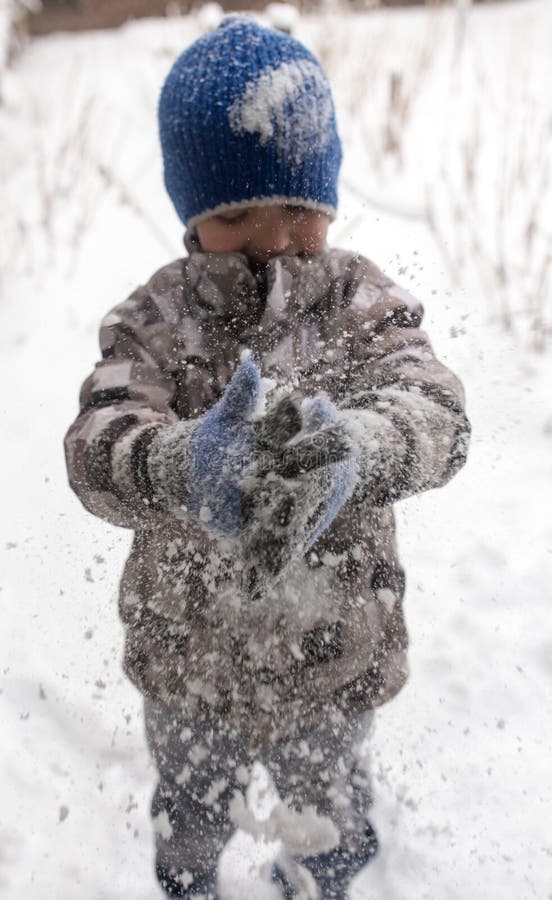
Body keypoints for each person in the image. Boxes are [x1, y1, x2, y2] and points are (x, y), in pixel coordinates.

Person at [64, 15, 470, 900]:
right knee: (191, 811)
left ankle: (318, 882)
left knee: (329, 816)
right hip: (189, 660)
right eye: (237, 214)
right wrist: (174, 466)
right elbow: (98, 444)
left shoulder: (362, 301)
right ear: (189, 211)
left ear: (329, 193)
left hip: (333, 654)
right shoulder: (154, 321)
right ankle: (192, 881)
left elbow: (435, 408)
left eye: (298, 208)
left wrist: (360, 449)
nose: (276, 237)